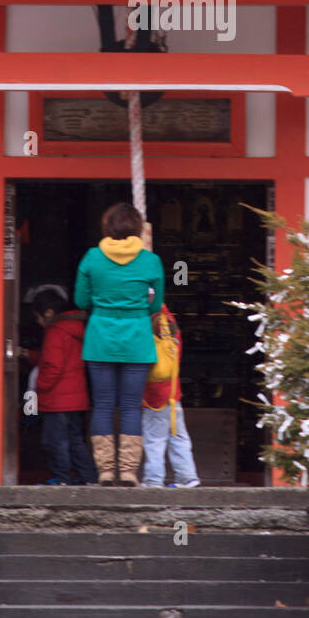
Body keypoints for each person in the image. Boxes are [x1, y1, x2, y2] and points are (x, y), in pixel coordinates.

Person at [74, 202, 164, 486]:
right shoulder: (150, 261)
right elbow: (157, 305)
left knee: (102, 404)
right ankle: (127, 471)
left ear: (107, 228)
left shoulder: (91, 257)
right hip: (137, 339)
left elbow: (80, 301)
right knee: (129, 406)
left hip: (100, 337)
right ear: (138, 228)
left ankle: (105, 470)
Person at [30, 284, 97, 485]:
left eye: (38, 317)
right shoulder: (77, 330)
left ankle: (62, 479)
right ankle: (89, 478)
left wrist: (38, 386)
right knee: (76, 440)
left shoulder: (55, 332)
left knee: (55, 441)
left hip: (57, 399)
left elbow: (52, 366)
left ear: (49, 313)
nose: (38, 322)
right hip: (77, 398)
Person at [142, 306, 200, 488]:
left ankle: (153, 479)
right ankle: (187, 476)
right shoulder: (169, 321)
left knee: (154, 438)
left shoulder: (149, 321)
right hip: (173, 391)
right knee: (178, 435)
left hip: (154, 394)